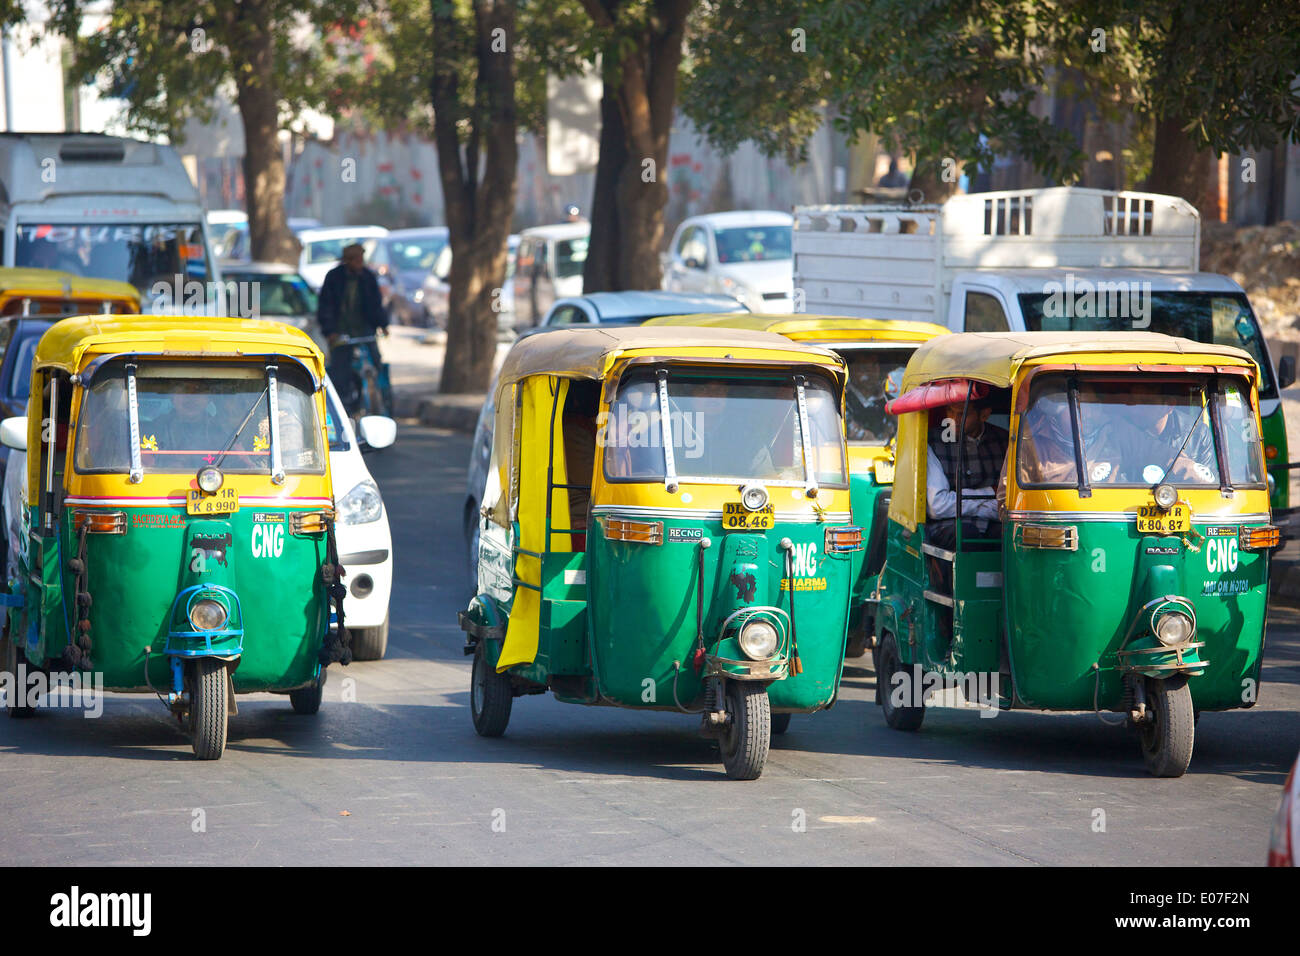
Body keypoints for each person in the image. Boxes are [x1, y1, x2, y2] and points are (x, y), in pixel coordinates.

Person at [1087, 383, 1216, 485]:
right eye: (1132, 402)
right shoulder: (1115, 431)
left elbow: (1208, 485)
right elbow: (1108, 480)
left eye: (1145, 402)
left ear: (1170, 405)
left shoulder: (1197, 434)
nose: (1135, 410)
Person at [926, 395, 1008, 549]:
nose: (954, 419)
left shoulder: (1005, 440)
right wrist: (990, 493)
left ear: (984, 415)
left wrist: (958, 501)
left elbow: (1008, 503)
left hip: (995, 523)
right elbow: (937, 505)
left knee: (1013, 537)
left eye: (963, 414)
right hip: (947, 525)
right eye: (950, 411)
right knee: (966, 534)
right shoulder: (932, 442)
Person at [316, 243, 387, 412]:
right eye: (356, 259)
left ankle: (380, 397)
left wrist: (383, 325)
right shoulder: (334, 277)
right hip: (341, 331)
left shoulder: (368, 277)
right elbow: (326, 306)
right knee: (340, 369)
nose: (359, 262)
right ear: (348, 261)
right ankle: (343, 404)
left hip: (364, 329)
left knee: (375, 360)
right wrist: (330, 331)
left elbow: (376, 304)